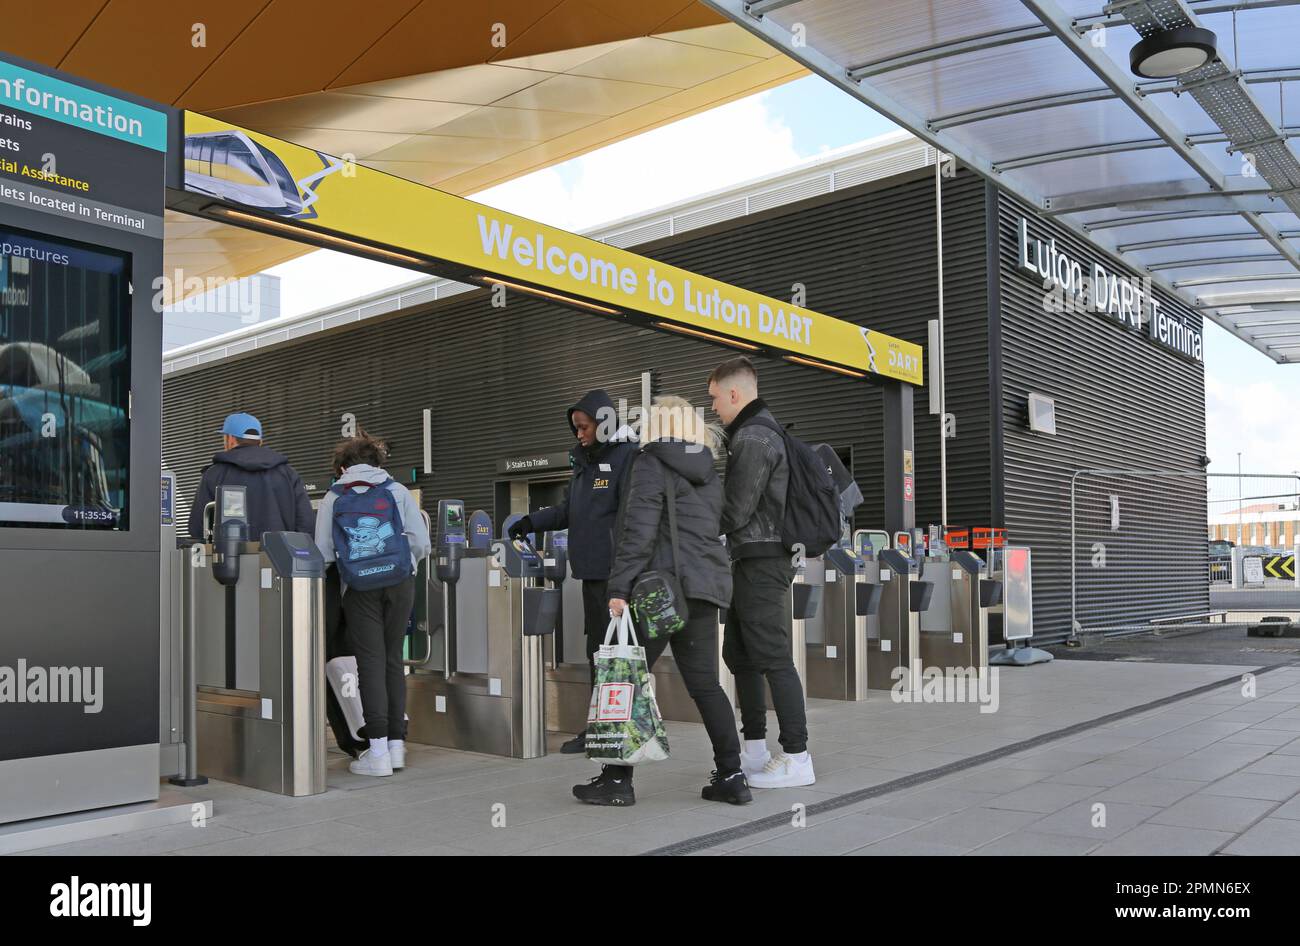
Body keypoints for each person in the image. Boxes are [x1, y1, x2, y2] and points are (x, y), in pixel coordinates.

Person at [572, 396, 750, 807]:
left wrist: (618, 589)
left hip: (659, 592)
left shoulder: (649, 463)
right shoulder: (707, 468)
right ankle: (732, 775)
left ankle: (617, 781)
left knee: (626, 680)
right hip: (703, 589)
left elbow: (639, 530)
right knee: (705, 684)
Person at [510, 389, 637, 753]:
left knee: (616, 654)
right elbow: (569, 511)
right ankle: (599, 726)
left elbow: (636, 515)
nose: (579, 434)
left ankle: (614, 728)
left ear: (605, 422)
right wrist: (530, 521)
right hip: (592, 574)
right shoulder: (585, 463)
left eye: (584, 427)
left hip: (617, 576)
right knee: (599, 651)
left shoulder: (628, 457)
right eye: (575, 429)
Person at [707, 356, 815, 788]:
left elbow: (736, 510)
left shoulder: (754, 436)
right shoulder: (754, 433)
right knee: (741, 654)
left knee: (770, 655)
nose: (713, 407)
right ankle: (754, 749)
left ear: (735, 394)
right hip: (749, 560)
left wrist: (693, 520)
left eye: (715, 398)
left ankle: (797, 756)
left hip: (763, 561)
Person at [314, 431, 431, 777]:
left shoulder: (333, 497)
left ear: (343, 467)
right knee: (394, 660)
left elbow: (322, 552)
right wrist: (405, 566)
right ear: (377, 463)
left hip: (360, 587)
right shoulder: (397, 492)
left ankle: (376, 750)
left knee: (370, 664)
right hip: (399, 583)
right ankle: (397, 747)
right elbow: (421, 542)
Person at [186, 411, 314, 543]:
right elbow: (306, 523)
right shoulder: (288, 473)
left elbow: (197, 527)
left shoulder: (214, 474)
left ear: (230, 439)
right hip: (279, 559)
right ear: (260, 441)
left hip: (231, 560)